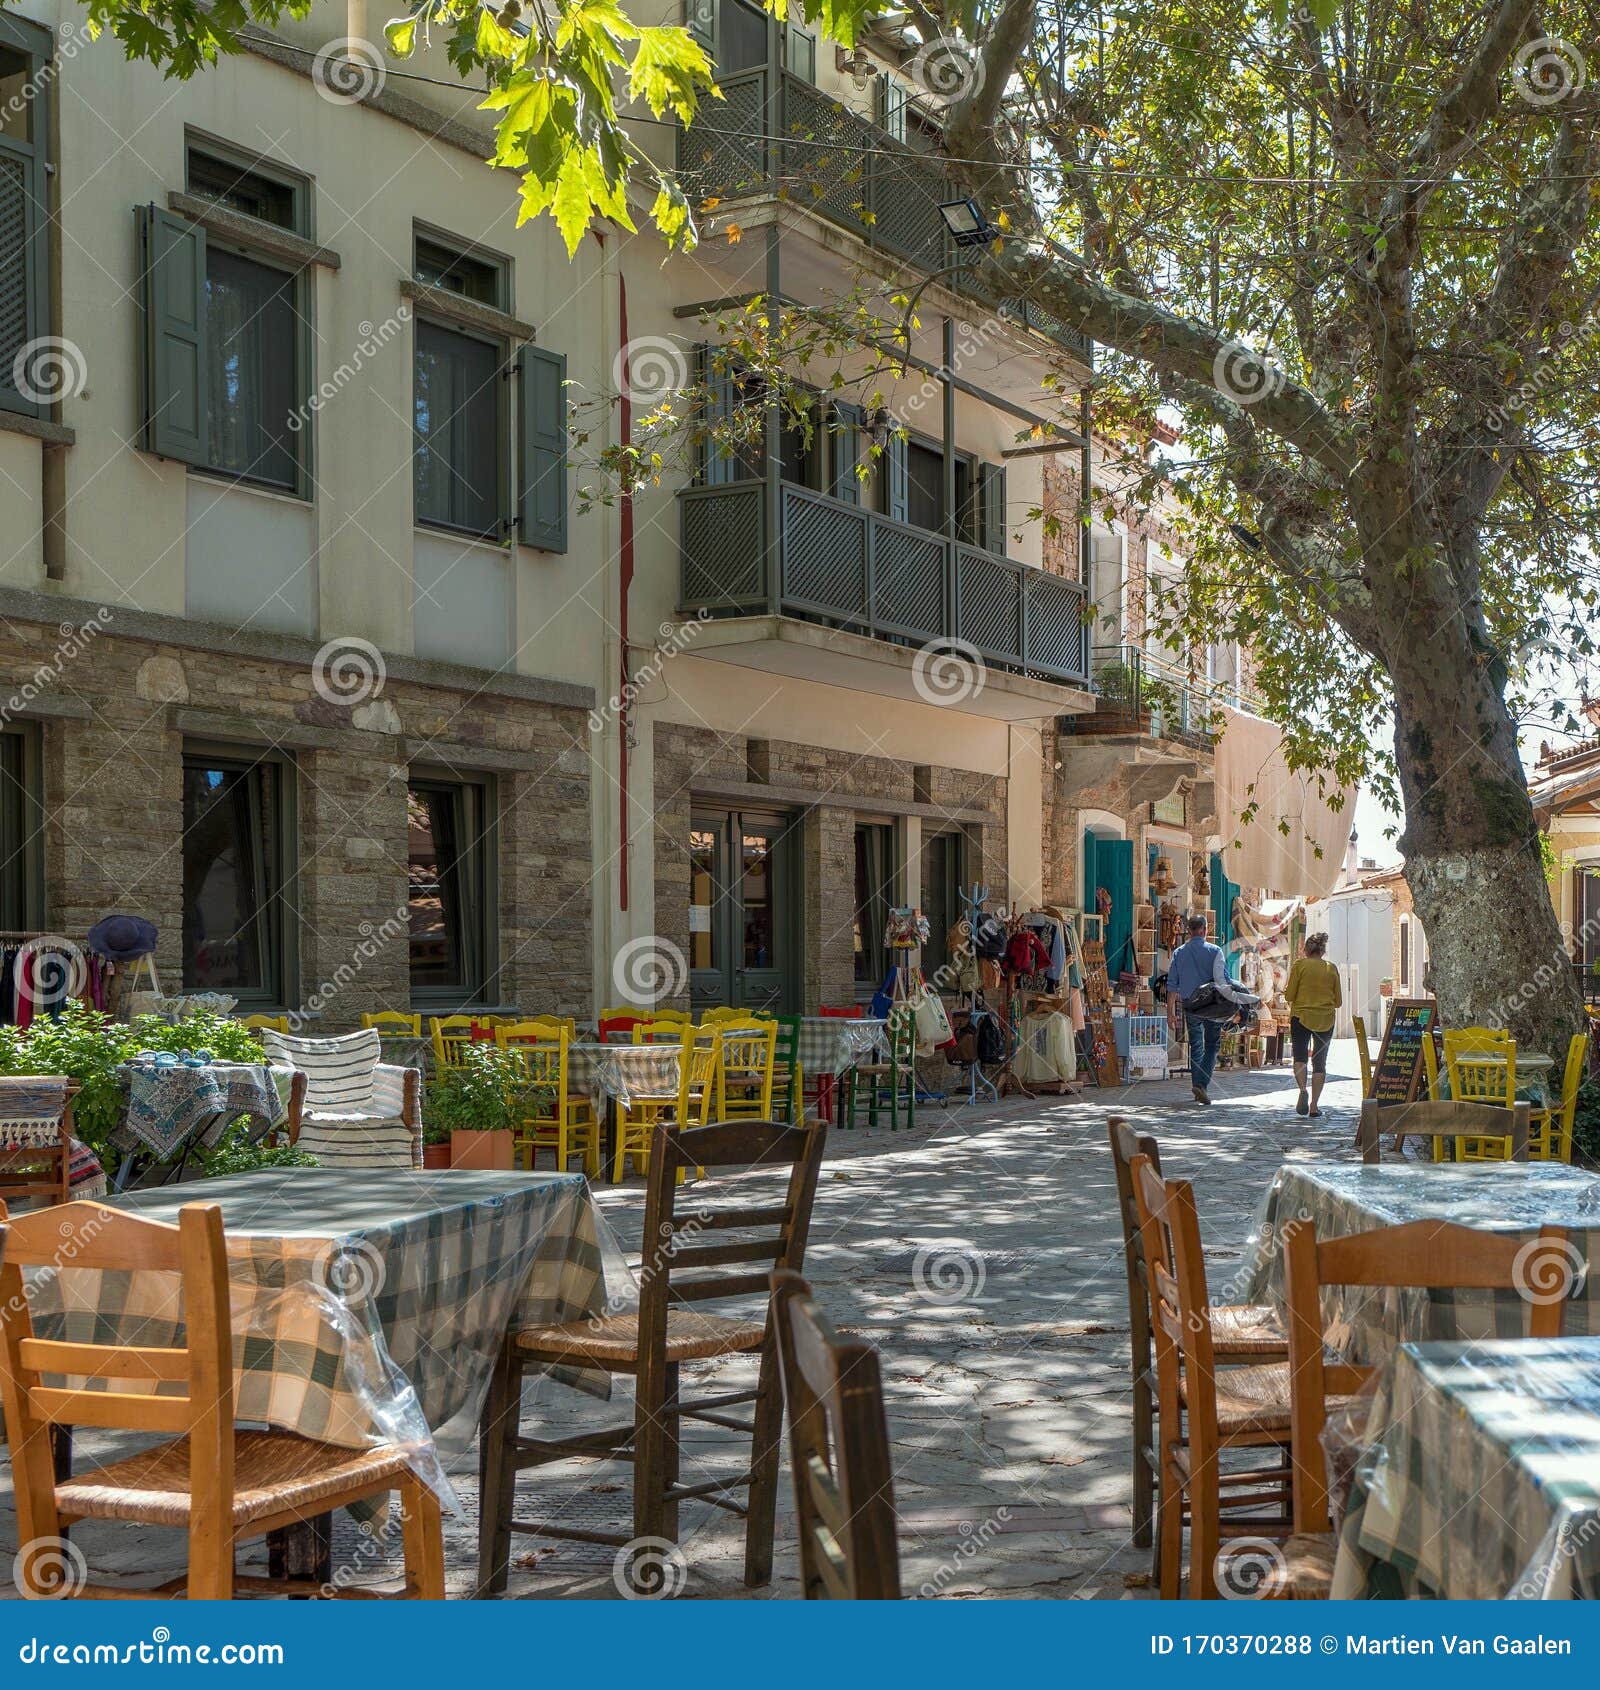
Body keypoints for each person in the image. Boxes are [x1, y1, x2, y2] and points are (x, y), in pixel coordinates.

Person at [1166, 913, 1252, 1105]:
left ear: (1189, 931)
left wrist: (1170, 1013)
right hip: (1213, 1007)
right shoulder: (1215, 951)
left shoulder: (1179, 953)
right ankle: (1202, 1085)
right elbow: (1225, 982)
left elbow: (1172, 985)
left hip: (1190, 1006)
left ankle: (1199, 1084)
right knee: (1212, 1045)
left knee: (1196, 1045)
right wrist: (1236, 1006)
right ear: (1205, 930)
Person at [1285, 932, 1342, 1117]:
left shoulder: (1300, 966)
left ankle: (1302, 1089)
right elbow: (1338, 1001)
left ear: (1306, 950)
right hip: (1325, 1019)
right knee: (1320, 1062)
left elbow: (1289, 995)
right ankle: (1314, 1106)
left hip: (1300, 1016)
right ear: (1323, 951)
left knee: (1300, 1056)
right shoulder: (1331, 968)